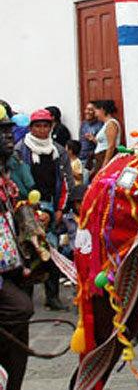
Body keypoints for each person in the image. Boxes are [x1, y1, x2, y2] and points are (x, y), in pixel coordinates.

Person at [14, 108, 74, 310]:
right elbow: (18, 182)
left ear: (51, 127)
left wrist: (59, 210)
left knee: (53, 251)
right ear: (31, 128)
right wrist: (30, 210)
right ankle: (26, 298)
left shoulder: (58, 151)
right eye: (38, 126)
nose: (42, 130)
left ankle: (52, 295)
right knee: (29, 252)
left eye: (46, 126)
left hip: (51, 203)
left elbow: (66, 182)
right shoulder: (21, 150)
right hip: (27, 208)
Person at [0, 112, 35, 390]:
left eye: (9, 131)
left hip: (14, 268)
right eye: (1, 132)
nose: (9, 137)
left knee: (17, 344)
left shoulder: (8, 174)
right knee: (21, 309)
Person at [87, 99, 120, 180]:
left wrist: (105, 163)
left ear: (102, 110)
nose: (95, 114)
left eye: (96, 111)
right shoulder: (106, 124)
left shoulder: (111, 124)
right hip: (100, 157)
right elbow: (103, 143)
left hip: (104, 157)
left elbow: (111, 145)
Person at [78, 102, 102, 180]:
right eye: (86, 109)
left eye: (90, 110)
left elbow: (103, 145)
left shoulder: (100, 125)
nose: (87, 111)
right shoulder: (84, 124)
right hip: (81, 157)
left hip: (91, 160)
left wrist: (93, 139)